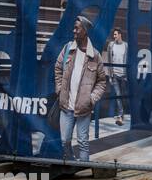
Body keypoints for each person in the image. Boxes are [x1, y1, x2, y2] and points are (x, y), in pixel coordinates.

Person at [52, 15, 108, 162]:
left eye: (77, 28)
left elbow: (102, 81)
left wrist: (92, 98)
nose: (74, 31)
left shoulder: (94, 56)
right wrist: (59, 89)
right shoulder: (67, 49)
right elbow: (58, 68)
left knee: (83, 142)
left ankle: (82, 171)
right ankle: (71, 164)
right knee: (65, 140)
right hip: (66, 104)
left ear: (85, 30)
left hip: (84, 106)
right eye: (74, 28)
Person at [104, 27, 129, 125]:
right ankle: (120, 116)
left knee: (123, 95)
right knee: (118, 96)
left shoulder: (126, 45)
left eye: (115, 34)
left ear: (120, 35)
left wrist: (127, 74)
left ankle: (121, 114)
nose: (114, 36)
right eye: (113, 35)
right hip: (114, 74)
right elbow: (109, 60)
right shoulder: (111, 45)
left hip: (123, 75)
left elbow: (128, 59)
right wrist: (110, 75)